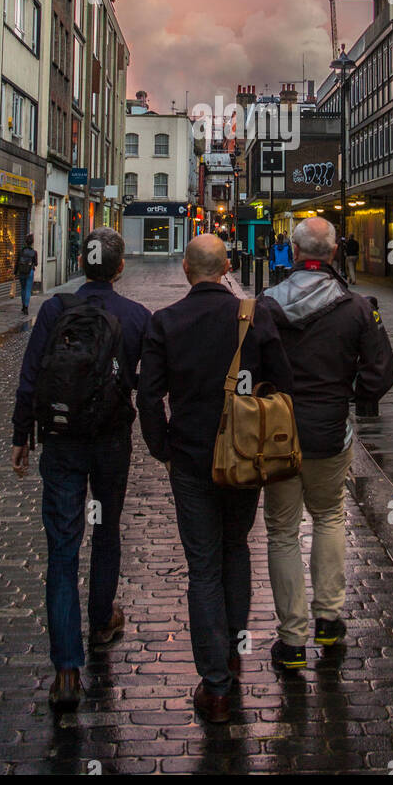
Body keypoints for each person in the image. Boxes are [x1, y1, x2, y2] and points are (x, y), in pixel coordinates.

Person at [138, 234, 292, 724]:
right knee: (236, 549)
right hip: (245, 458)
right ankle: (231, 652)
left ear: (186, 269)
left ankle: (217, 686)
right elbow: (281, 385)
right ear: (227, 266)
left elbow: (147, 398)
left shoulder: (166, 322)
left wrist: (163, 447)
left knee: (203, 565)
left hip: (191, 459)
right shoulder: (254, 315)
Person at [12, 228, 150, 711]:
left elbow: (31, 375)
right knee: (107, 530)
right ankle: (101, 619)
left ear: (81, 262)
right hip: (111, 441)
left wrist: (20, 435)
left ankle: (66, 670)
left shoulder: (53, 310)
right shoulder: (136, 317)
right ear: (120, 267)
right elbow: (145, 386)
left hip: (62, 440)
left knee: (63, 547)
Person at [261, 216, 393, 671]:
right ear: (334, 253)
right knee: (329, 515)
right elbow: (380, 373)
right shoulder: (357, 307)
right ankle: (329, 619)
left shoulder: (266, 304)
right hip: (329, 432)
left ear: (295, 252)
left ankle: (292, 640)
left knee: (281, 531)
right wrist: (349, 396)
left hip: (278, 435)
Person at [15, 233, 38, 315]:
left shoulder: (21, 251)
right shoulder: (34, 252)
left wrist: (15, 272)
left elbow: (17, 262)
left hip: (21, 272)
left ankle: (23, 305)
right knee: (28, 289)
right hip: (30, 272)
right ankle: (26, 307)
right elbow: (36, 263)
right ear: (32, 242)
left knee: (23, 289)